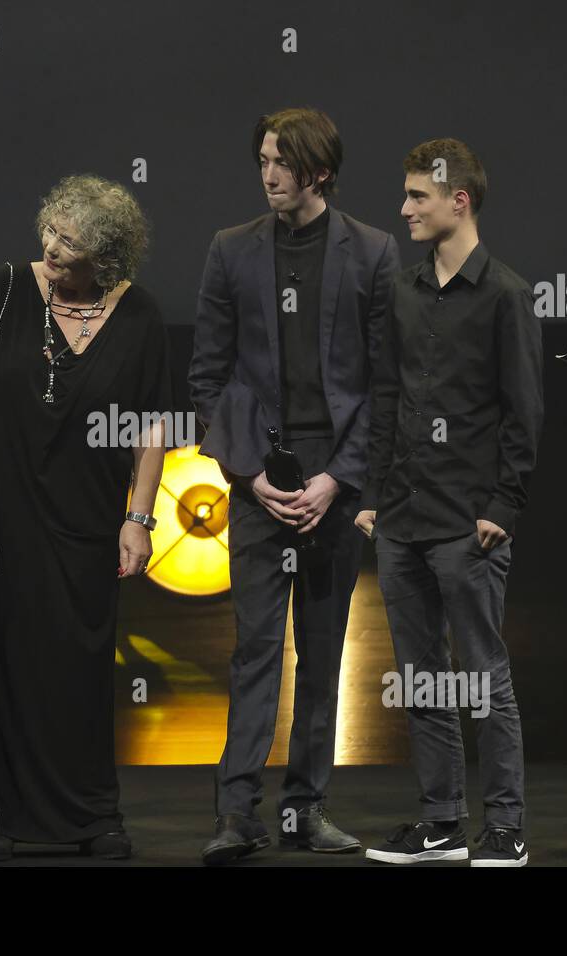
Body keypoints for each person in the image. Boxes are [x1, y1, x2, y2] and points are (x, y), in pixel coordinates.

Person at [190, 107, 399, 865]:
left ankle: (305, 810)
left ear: (317, 170)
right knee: (253, 651)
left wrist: (339, 482)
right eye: (263, 161)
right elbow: (207, 378)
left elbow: (384, 385)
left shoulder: (372, 252)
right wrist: (246, 475)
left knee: (323, 650)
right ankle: (236, 813)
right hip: (259, 479)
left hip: (332, 484)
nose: (268, 174)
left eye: (281, 162)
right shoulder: (230, 250)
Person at [0, 175, 172, 862]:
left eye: (70, 242)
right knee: (10, 663)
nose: (51, 246)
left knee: (82, 667)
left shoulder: (140, 315)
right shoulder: (5, 289)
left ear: (104, 257)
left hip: (90, 521)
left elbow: (152, 425)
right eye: (50, 230)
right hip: (8, 514)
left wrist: (140, 517)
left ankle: (92, 815)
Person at [357, 138, 542, 867]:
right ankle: (441, 823)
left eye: (416, 197)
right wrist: (372, 494)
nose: (403, 209)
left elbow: (523, 412)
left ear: (457, 201)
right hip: (402, 515)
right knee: (422, 674)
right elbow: (386, 396)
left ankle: (506, 825)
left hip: (470, 521)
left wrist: (504, 503)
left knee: (484, 674)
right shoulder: (400, 289)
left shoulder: (506, 293)